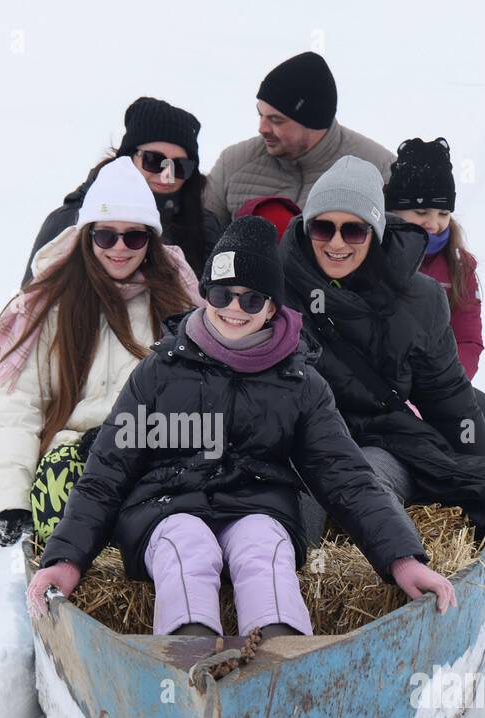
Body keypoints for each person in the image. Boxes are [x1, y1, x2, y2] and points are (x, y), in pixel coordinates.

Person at [25, 217, 456, 637]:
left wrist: (402, 558)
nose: (233, 308)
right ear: (204, 295)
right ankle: (187, 656)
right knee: (186, 544)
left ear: (272, 307)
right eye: (221, 294)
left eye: (251, 299)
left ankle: (280, 660)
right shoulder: (160, 370)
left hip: (258, 506)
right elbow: (107, 471)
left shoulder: (299, 382)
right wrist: (67, 559)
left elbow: (346, 475)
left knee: (264, 548)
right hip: (166, 506)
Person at [280, 157, 485, 535]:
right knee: (293, 504)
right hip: (297, 442)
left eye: (353, 231)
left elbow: (450, 399)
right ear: (305, 228)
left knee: (363, 486)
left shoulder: (418, 300)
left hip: (381, 440)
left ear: (376, 232)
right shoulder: (274, 289)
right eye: (322, 227)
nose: (336, 243)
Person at [0, 157, 201, 549]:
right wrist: (10, 500)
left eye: (134, 237)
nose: (120, 248)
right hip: (71, 454)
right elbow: (19, 403)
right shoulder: (49, 304)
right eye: (106, 236)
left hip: (152, 451)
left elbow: (201, 398)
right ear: (87, 236)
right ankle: (67, 581)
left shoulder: (178, 303)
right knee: (66, 497)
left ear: (149, 241)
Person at [21, 97, 220, 287]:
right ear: (127, 158)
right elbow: (31, 306)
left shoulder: (205, 226)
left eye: (180, 165)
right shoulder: (72, 219)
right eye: (154, 160)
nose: (167, 174)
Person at [386, 137, 485, 433]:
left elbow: (468, 339)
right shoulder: (369, 253)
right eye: (421, 213)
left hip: (438, 383)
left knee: (482, 411)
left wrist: (442, 388)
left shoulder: (459, 266)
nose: (434, 223)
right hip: (380, 385)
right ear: (394, 211)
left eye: (443, 213)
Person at [203, 52, 396, 222]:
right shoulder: (233, 164)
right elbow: (200, 242)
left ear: (313, 123)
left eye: (276, 120)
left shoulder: (380, 169)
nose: (262, 128)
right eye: (260, 114)